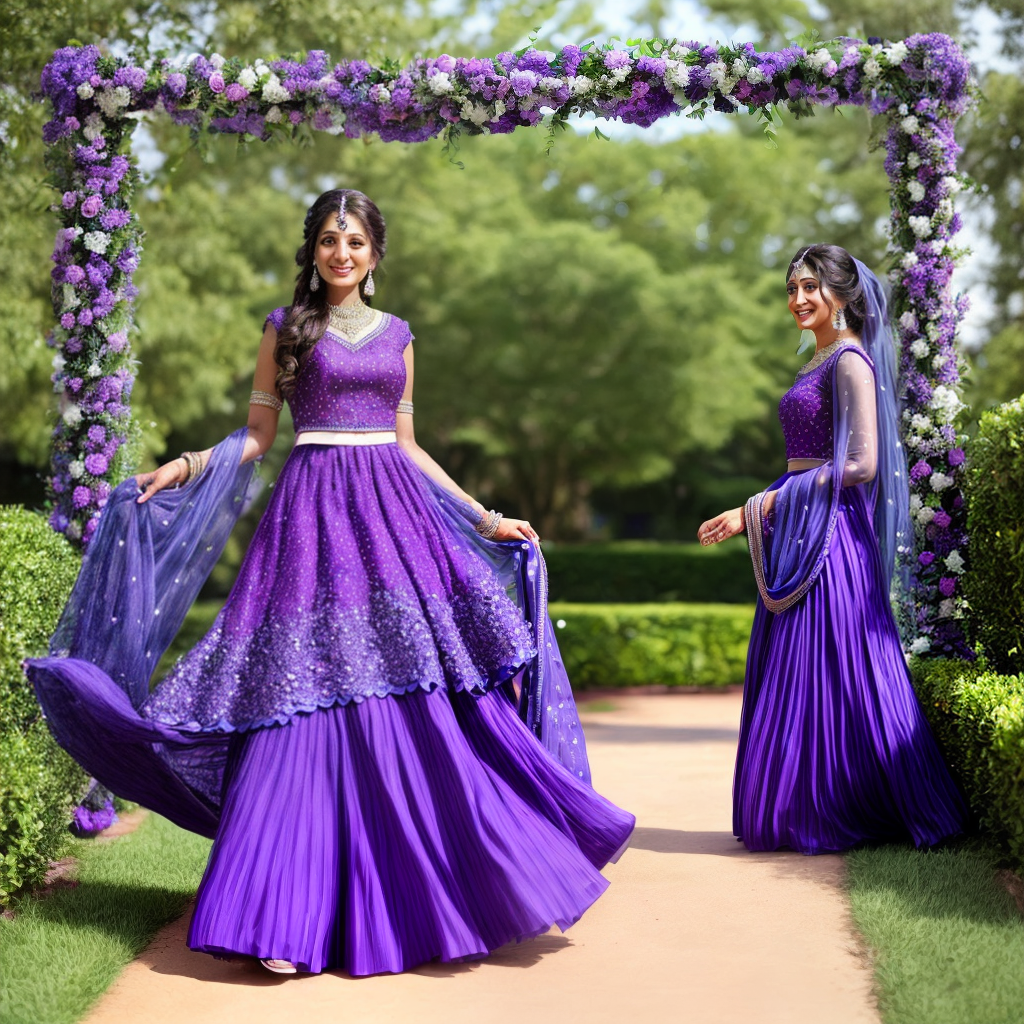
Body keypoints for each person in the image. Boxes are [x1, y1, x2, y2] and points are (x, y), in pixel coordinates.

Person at [27, 188, 634, 975]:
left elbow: (408, 445)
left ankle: (443, 891)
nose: (340, 253)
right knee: (296, 688)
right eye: (326, 240)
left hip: (393, 519)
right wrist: (183, 466)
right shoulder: (284, 328)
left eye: (353, 241)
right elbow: (258, 435)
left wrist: (485, 518)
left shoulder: (400, 336)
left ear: (375, 254)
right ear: (312, 251)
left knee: (414, 682)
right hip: (310, 517)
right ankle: (281, 917)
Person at [697, 244, 964, 855]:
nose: (798, 299)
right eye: (792, 289)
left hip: (832, 542)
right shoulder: (819, 360)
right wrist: (768, 505)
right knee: (802, 665)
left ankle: (836, 804)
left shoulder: (849, 360)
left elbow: (863, 464)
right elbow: (807, 461)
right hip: (803, 528)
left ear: (841, 294)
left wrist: (762, 505)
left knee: (836, 664)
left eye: (810, 287)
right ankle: (803, 802)